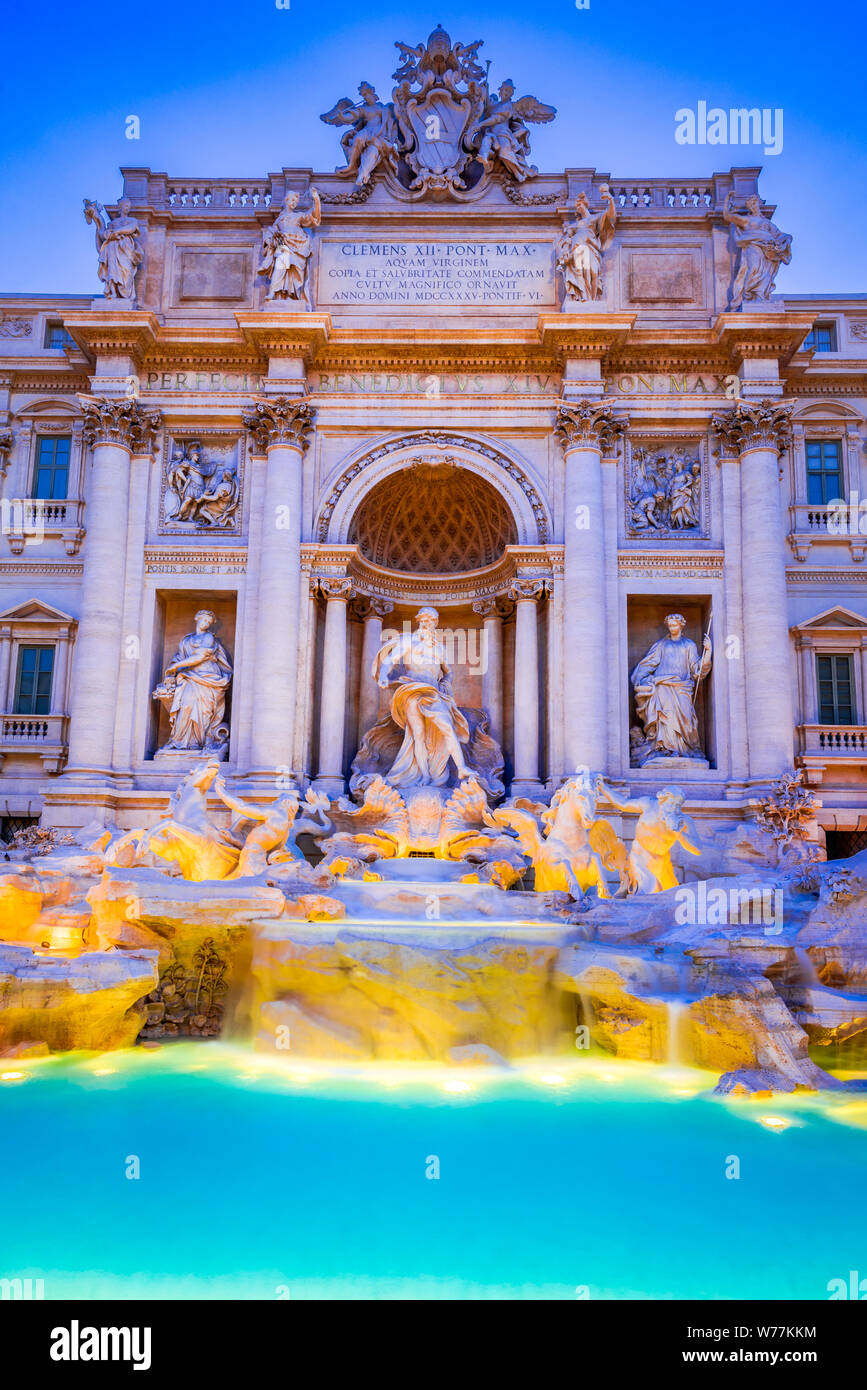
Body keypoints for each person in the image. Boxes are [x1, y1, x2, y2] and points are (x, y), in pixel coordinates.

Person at [372, 606, 472, 787]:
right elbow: (390, 660)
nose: (427, 624)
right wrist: (384, 675)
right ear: (419, 621)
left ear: (435, 623)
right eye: (424, 620)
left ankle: (462, 767)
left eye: (431, 621)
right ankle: (425, 775)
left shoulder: (439, 648)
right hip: (411, 690)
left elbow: (448, 672)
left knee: (447, 727)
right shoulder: (409, 642)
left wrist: (446, 683)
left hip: (433, 692)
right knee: (417, 734)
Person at [631, 613, 711, 763]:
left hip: (682, 687)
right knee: (665, 717)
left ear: (681, 625)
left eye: (675, 625)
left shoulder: (689, 645)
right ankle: (665, 749)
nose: (672, 628)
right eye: (670, 625)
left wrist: (708, 652)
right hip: (663, 687)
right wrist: (642, 679)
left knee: (686, 719)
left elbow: (697, 670)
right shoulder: (662, 645)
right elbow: (649, 664)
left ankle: (685, 750)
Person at [156, 610, 232, 753]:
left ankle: (198, 743)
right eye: (204, 620)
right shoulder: (186, 640)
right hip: (189, 677)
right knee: (185, 705)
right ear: (197, 619)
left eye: (209, 622)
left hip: (208, 678)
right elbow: (180, 657)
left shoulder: (208, 637)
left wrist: (175, 667)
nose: (206, 624)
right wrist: (171, 672)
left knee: (204, 711)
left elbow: (200, 657)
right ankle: (179, 741)